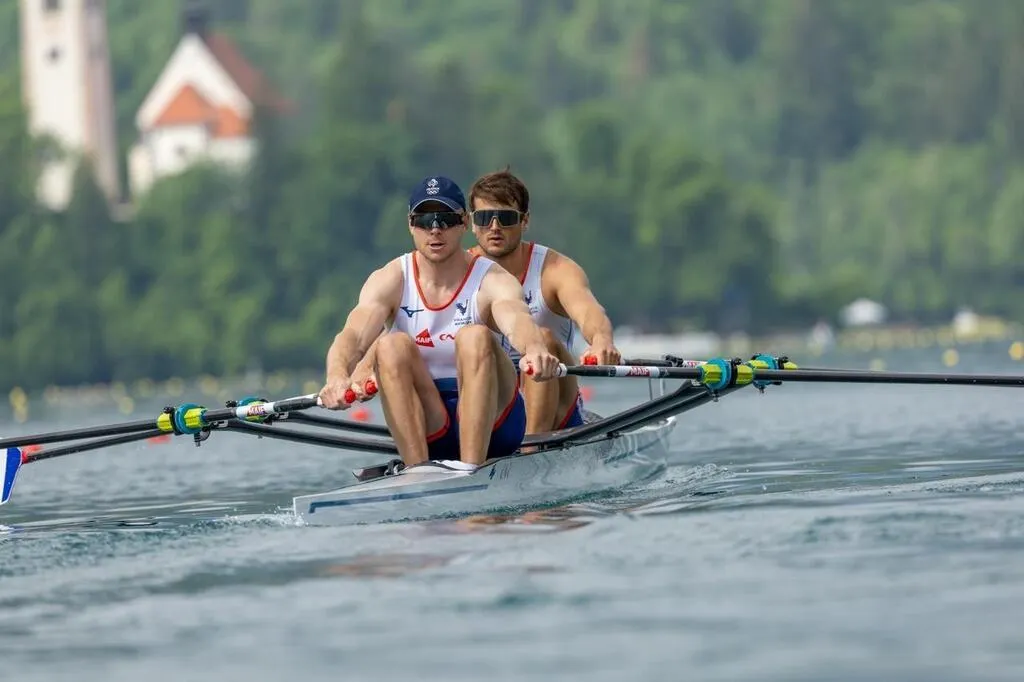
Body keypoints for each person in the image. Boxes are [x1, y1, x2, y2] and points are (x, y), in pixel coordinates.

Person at [318, 176, 561, 468]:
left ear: (463, 223)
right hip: (431, 423)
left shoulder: (492, 278)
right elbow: (353, 336)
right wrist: (336, 377)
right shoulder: (390, 279)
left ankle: (471, 469)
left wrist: (534, 349)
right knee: (390, 345)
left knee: (474, 336)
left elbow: (517, 318)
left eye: (445, 219)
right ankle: (417, 471)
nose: (435, 229)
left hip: (497, 423)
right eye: (425, 220)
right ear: (411, 224)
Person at [467, 168, 622, 435]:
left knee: (544, 339)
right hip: (489, 404)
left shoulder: (555, 269)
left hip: (557, 408)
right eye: (484, 218)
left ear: (525, 221)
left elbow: (589, 312)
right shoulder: (455, 270)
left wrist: (602, 342)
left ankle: (530, 448)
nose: (494, 227)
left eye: (505, 218)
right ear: (471, 222)